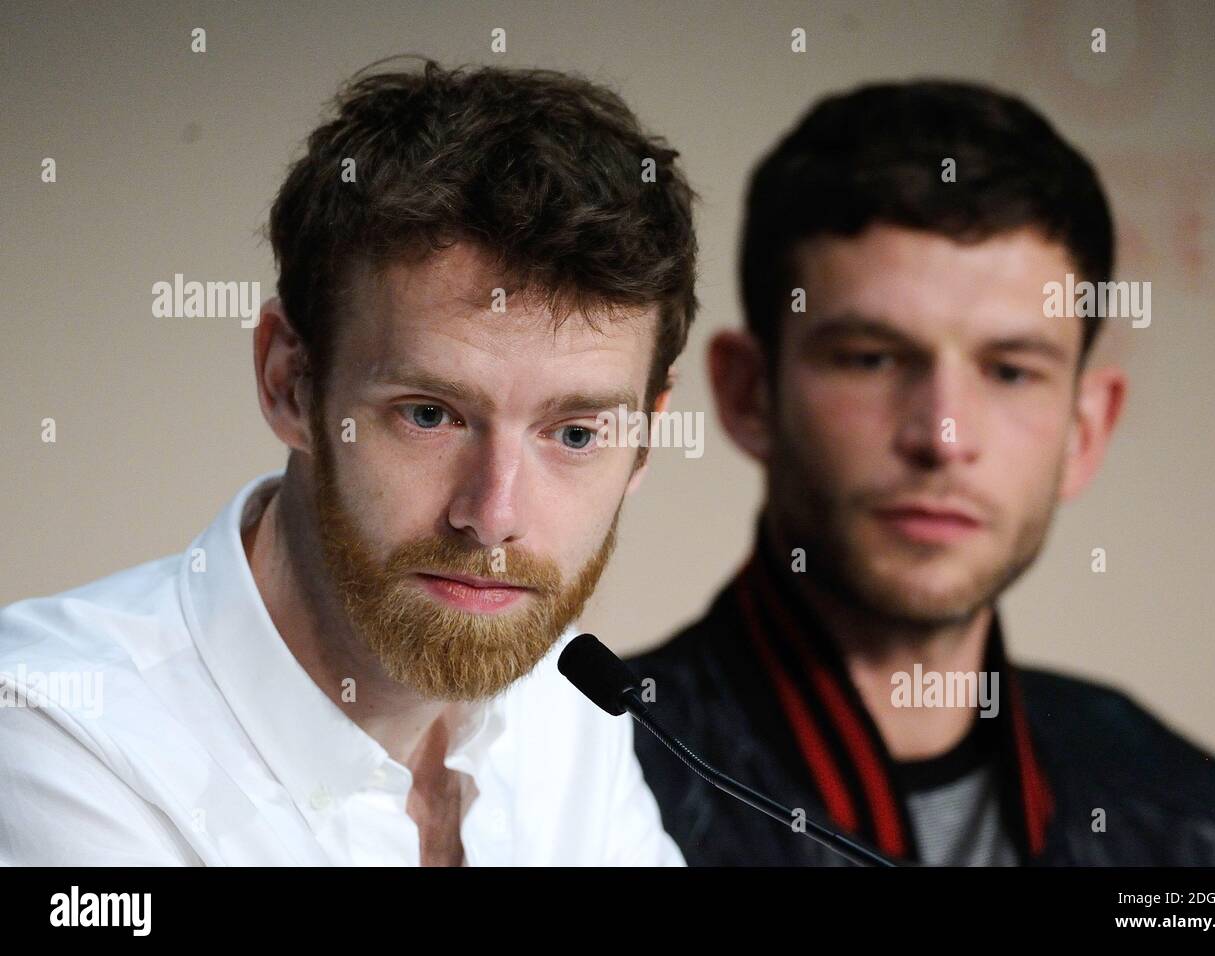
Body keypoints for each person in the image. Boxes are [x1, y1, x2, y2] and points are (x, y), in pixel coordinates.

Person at [0, 57, 698, 866]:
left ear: (646, 436)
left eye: (575, 434)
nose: (495, 518)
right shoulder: (53, 734)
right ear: (290, 382)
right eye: (430, 415)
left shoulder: (563, 697)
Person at [629, 80, 1215, 866]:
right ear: (747, 395)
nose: (942, 436)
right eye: (871, 358)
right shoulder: (586, 786)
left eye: (1010, 371)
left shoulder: (1192, 824)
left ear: (1085, 430)